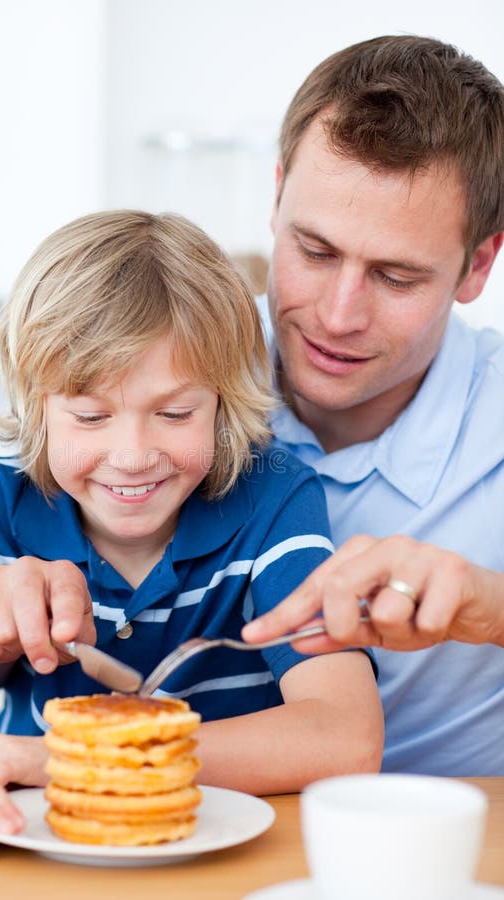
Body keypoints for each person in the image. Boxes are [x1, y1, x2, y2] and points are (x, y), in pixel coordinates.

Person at [0, 210, 382, 861]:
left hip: (230, 859)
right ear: (37, 405)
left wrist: (69, 760)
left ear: (223, 404)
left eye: (175, 412)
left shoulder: (274, 497)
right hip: (33, 856)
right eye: (91, 415)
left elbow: (345, 736)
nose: (131, 456)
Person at [238, 35, 504, 775]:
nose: (338, 314)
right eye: (315, 252)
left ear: (477, 264)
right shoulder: (160, 372)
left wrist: (490, 605)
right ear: (278, 192)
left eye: (394, 276)